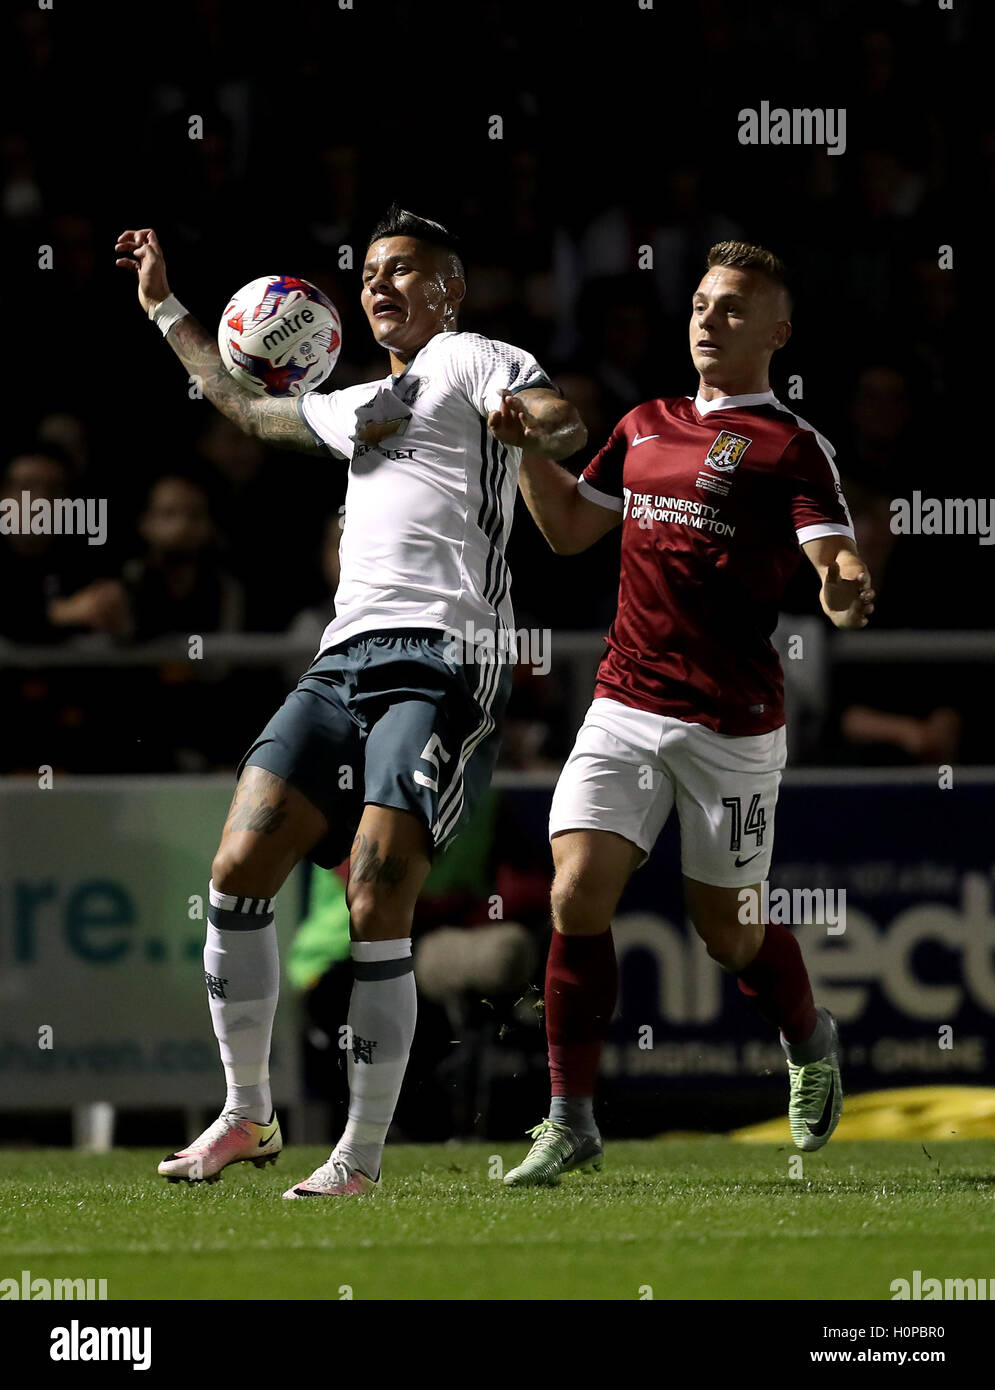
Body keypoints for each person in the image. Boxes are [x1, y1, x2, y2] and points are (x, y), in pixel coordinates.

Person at [114, 206, 586, 1197]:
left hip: (446, 657)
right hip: (340, 660)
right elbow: (243, 407)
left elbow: (561, 417)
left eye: (405, 268)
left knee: (375, 896)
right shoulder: (355, 402)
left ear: (448, 290)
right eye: (370, 270)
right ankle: (249, 1113)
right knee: (238, 864)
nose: (380, 283)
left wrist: (529, 426)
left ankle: (359, 1158)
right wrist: (166, 310)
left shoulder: (471, 357)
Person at [501, 241, 874, 1186]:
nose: (709, 318)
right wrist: (521, 457)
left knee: (728, 934)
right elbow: (570, 531)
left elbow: (829, 554)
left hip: (731, 725)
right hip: (624, 701)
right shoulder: (642, 423)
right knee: (575, 893)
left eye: (735, 308)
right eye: (703, 302)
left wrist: (842, 583)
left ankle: (807, 1034)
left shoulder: (792, 446)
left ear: (776, 334)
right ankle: (570, 1116)